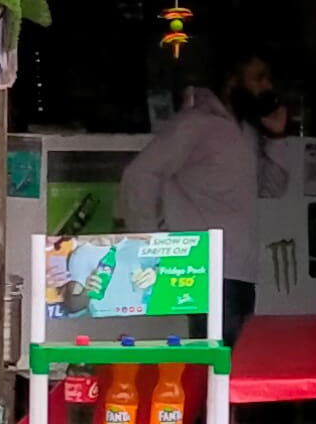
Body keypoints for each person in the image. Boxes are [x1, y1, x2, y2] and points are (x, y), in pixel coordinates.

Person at [118, 50, 291, 337]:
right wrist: (149, 243)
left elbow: (273, 186)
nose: (267, 87)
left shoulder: (245, 130)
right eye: (258, 78)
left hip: (241, 270)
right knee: (218, 369)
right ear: (232, 81)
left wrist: (276, 137)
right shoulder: (195, 124)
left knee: (230, 367)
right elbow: (139, 174)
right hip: (205, 270)